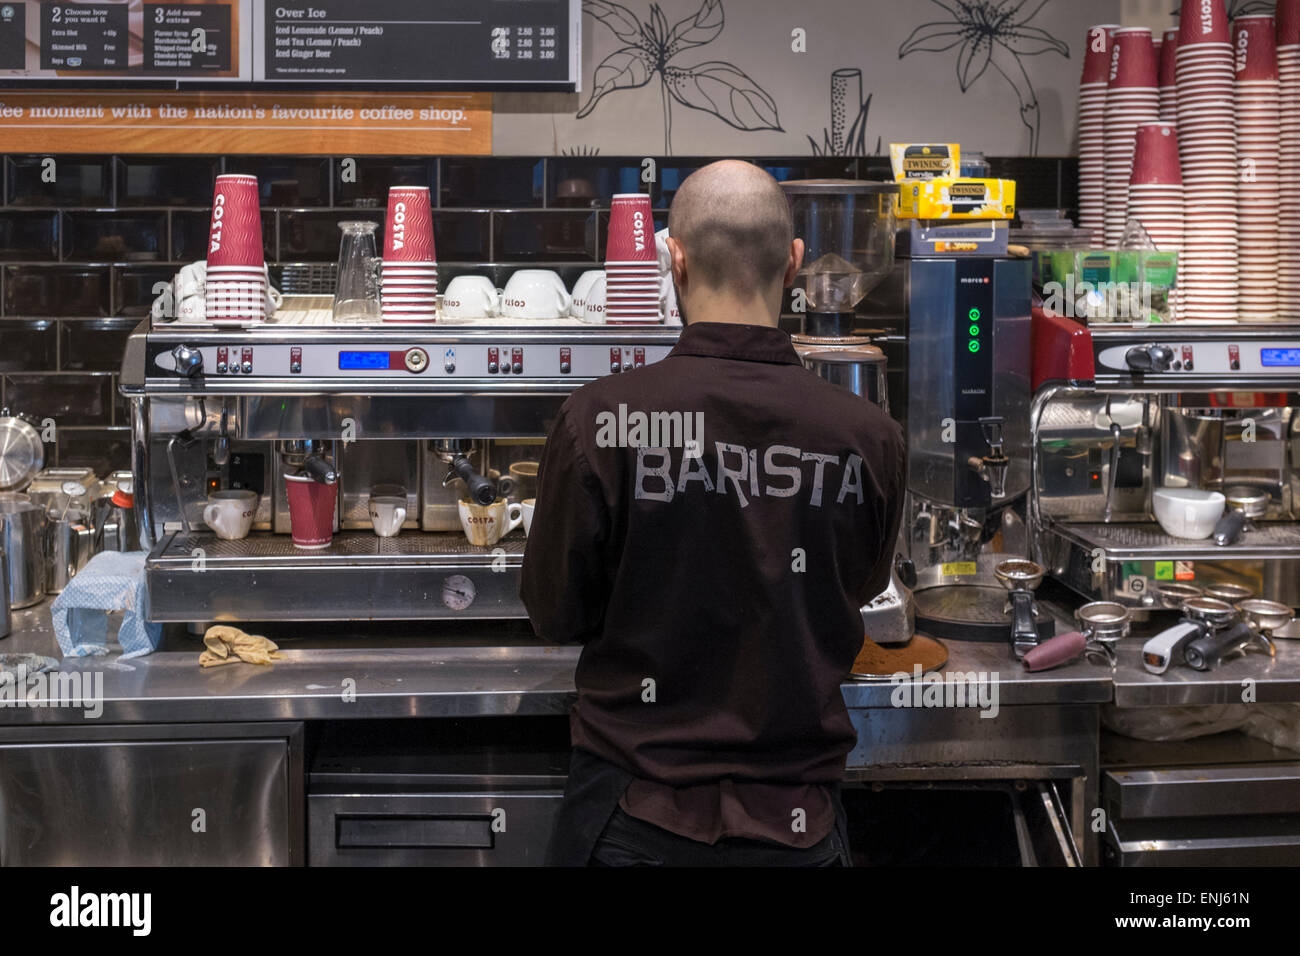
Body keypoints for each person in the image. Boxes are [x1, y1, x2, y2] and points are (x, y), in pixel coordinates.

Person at [520, 160, 905, 866]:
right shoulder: (867, 435)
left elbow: (555, 613)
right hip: (797, 828)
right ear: (793, 263)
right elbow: (855, 591)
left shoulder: (603, 419)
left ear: (675, 259)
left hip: (633, 816)